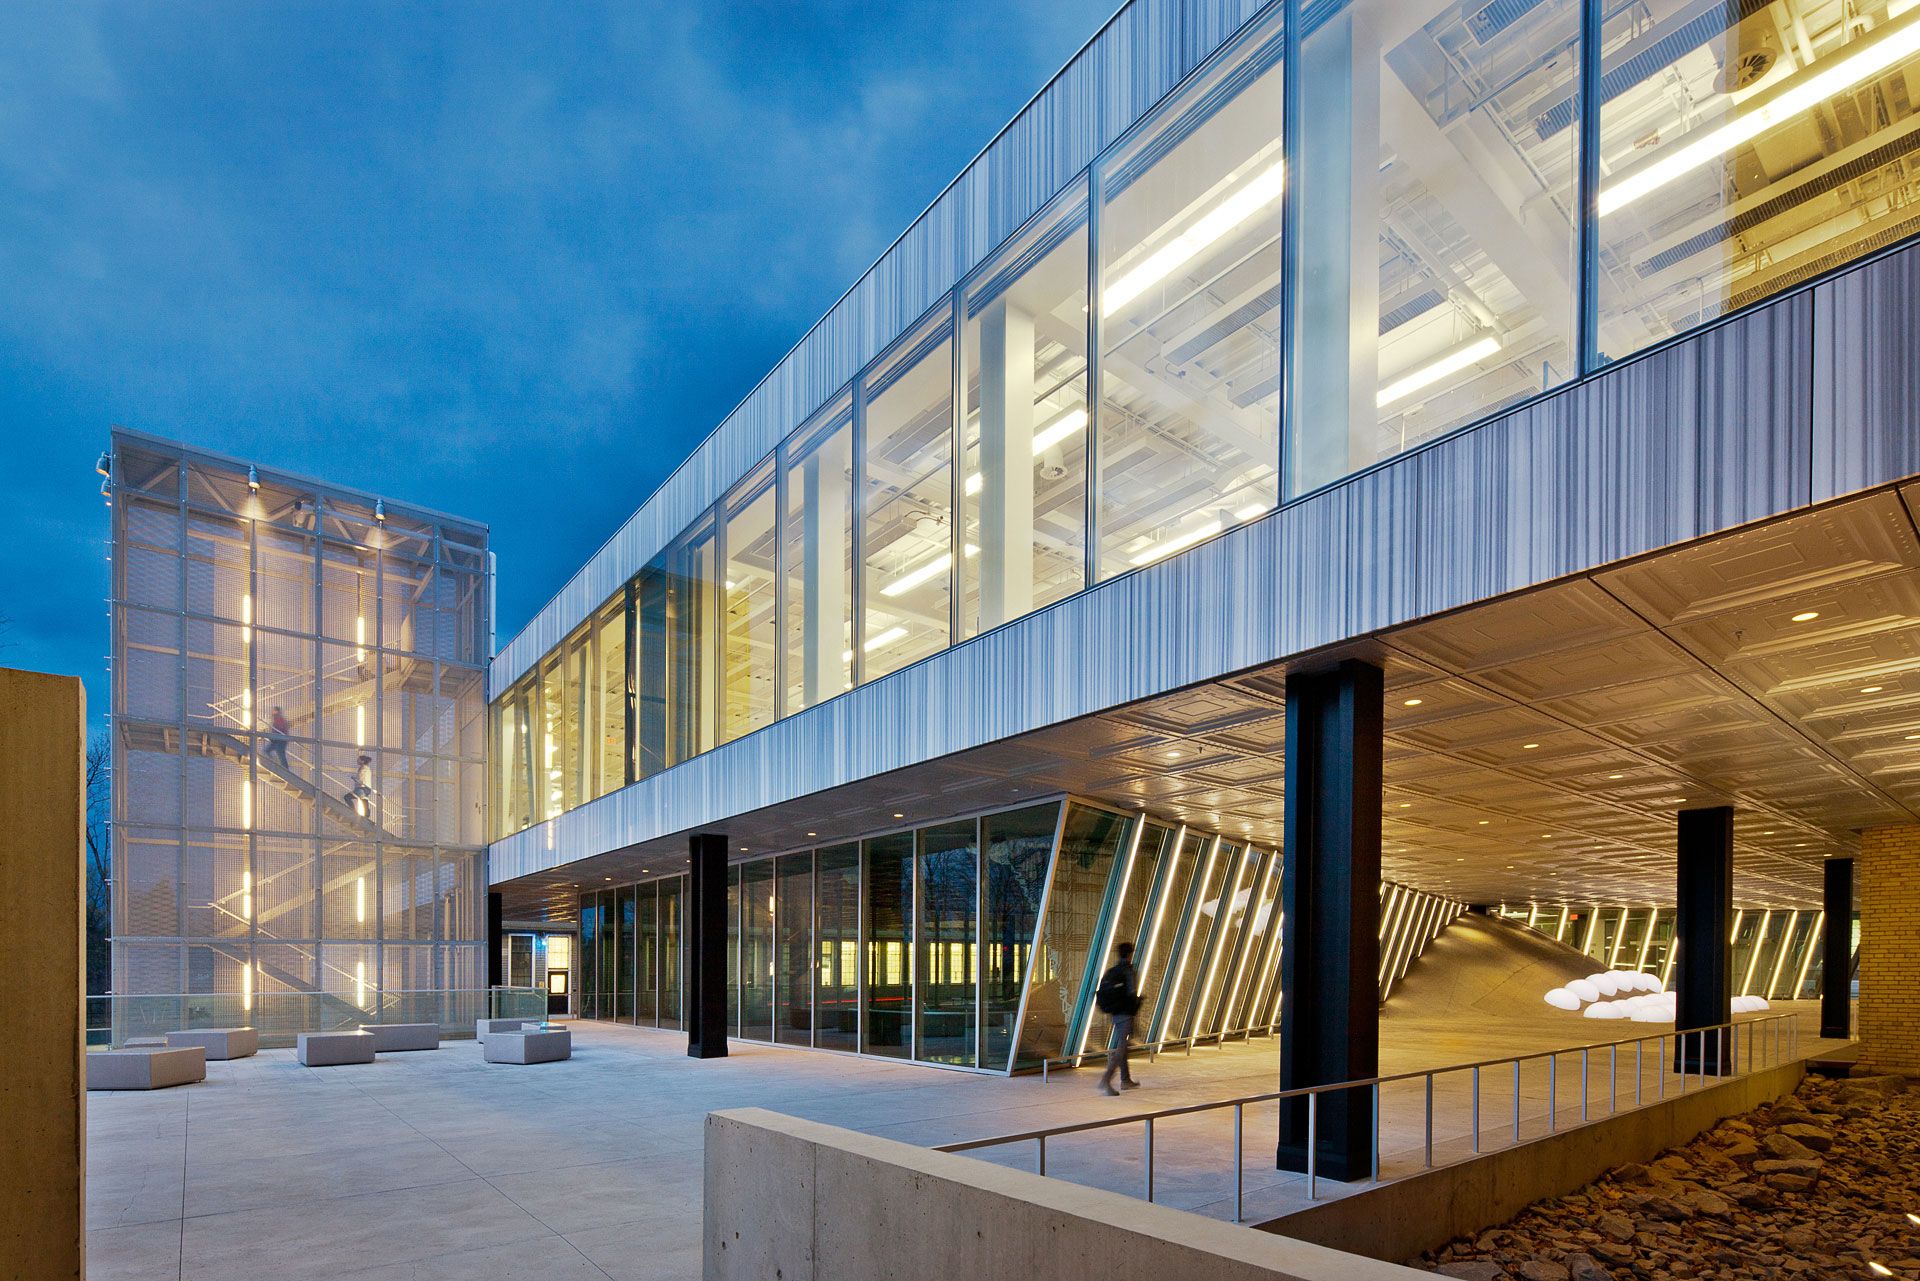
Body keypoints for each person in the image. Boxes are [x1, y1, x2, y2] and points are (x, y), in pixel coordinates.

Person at [1095, 941, 1142, 1096]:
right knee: (1122, 1048)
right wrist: (1138, 1002)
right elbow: (1131, 993)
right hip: (1126, 1014)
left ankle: (1125, 1080)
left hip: (1115, 1014)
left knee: (1124, 1047)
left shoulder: (1113, 971)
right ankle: (1106, 1080)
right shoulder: (1129, 971)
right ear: (1129, 954)